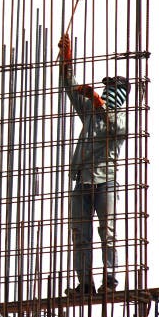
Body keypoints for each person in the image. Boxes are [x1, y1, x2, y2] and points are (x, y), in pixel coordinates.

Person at [58, 34, 130, 296]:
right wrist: (67, 58)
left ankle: (109, 281)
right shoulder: (89, 111)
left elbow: (114, 126)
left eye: (113, 89)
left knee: (107, 231)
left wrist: (98, 101)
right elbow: (69, 85)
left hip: (105, 183)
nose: (107, 93)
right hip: (82, 180)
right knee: (80, 235)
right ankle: (85, 284)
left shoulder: (121, 118)